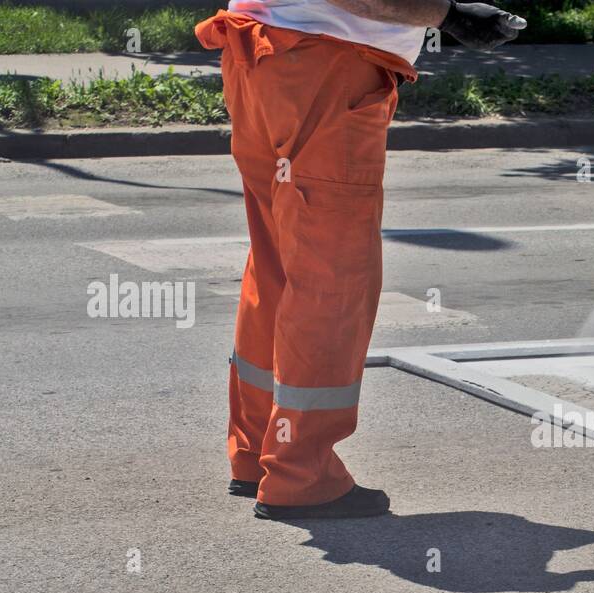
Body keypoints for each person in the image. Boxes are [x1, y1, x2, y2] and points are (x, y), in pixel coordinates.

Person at [195, 1, 525, 520]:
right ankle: (302, 476)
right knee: (331, 276)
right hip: (322, 66)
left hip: (264, 54)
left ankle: (259, 451)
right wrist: (449, 16)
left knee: (278, 263)